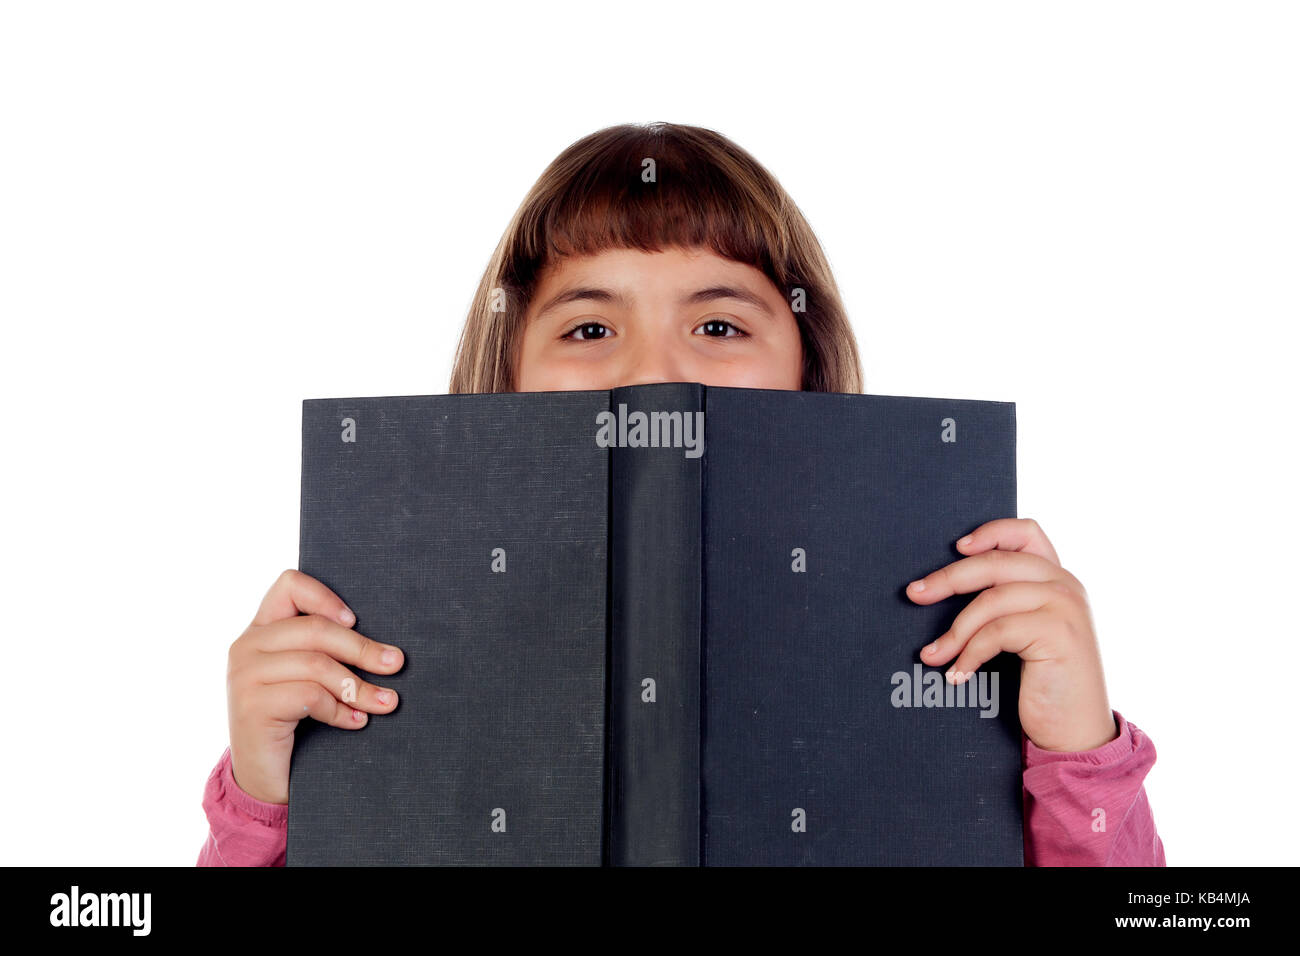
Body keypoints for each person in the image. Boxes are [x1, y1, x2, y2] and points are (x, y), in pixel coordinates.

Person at [198, 122, 1164, 867]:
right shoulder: (379, 614)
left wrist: (1080, 752)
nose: (655, 372)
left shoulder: (960, 609)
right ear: (510, 370)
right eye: (586, 329)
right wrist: (268, 803)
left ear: (805, 362)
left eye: (718, 324)